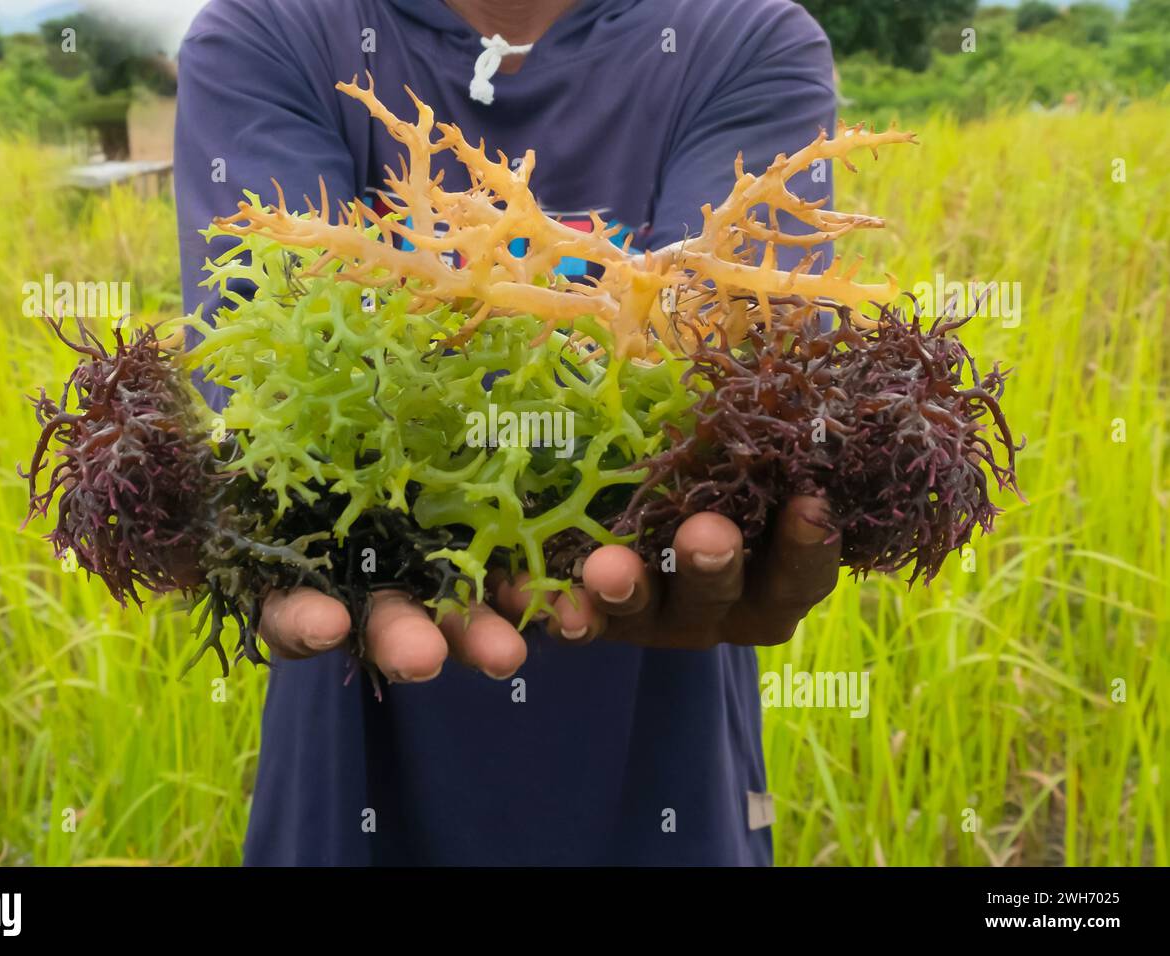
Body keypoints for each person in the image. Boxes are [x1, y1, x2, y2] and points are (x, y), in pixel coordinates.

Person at [176, 0, 841, 865]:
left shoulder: (740, 34)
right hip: (356, 697)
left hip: (660, 728)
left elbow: (734, 364)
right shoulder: (273, 27)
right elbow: (269, 369)